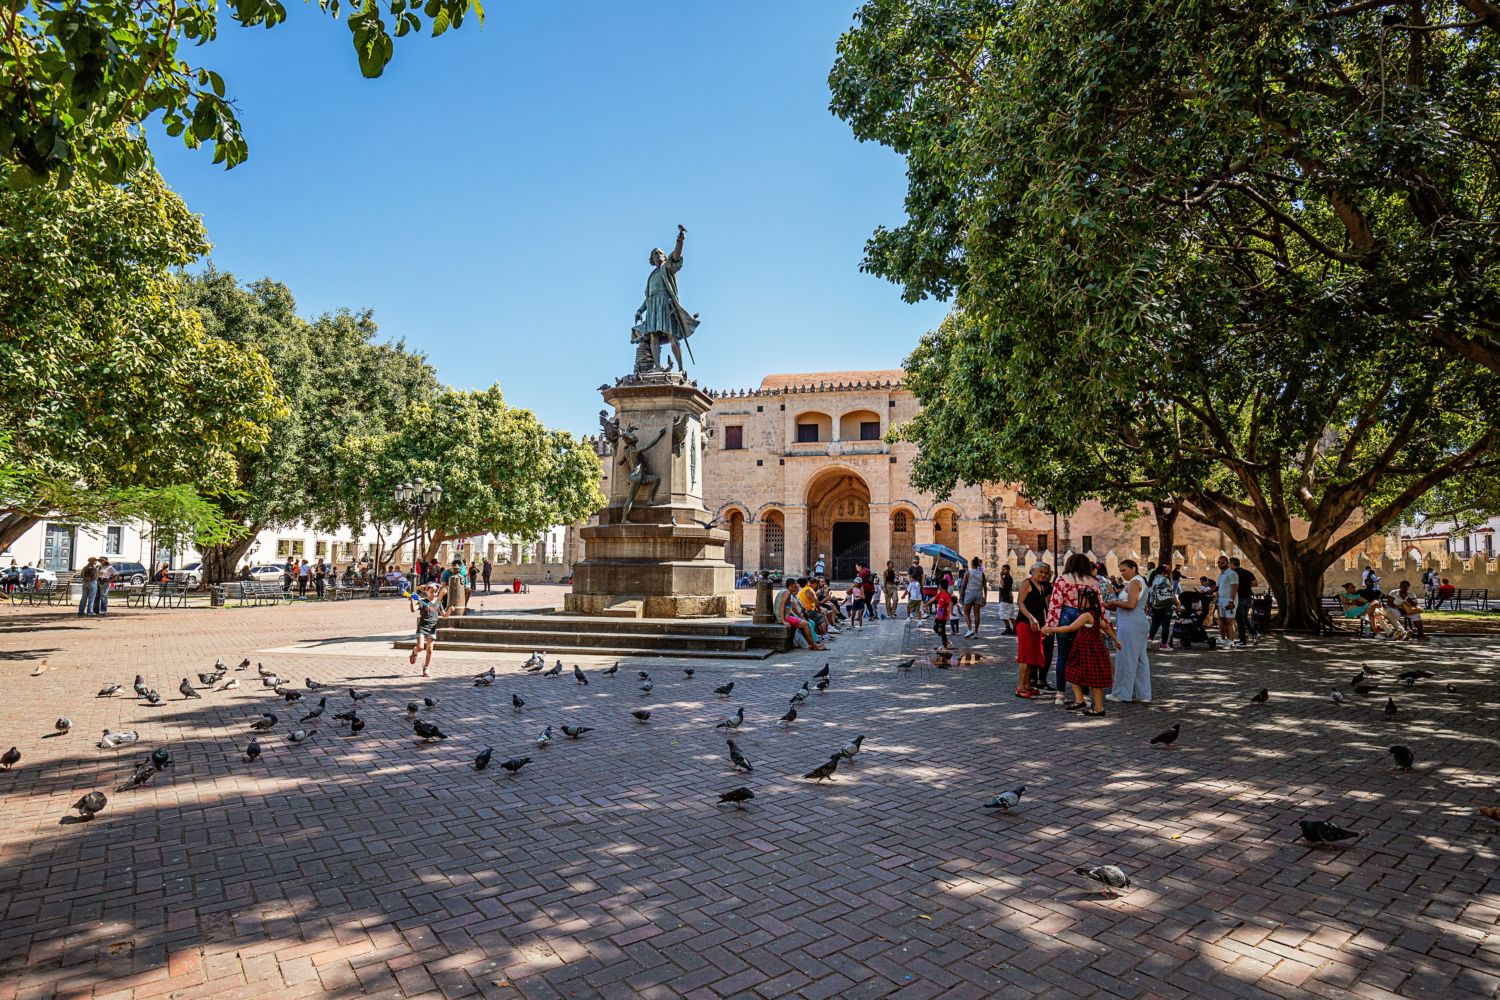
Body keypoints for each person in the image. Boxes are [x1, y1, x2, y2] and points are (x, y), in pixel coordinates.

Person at [1042, 588, 1116, 716]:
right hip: (1091, 649)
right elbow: (1106, 627)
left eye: (1081, 599)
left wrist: (1050, 629)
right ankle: (1080, 700)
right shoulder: (1095, 613)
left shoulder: (1086, 615)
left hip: (1088, 649)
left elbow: (1070, 627)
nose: (1079, 601)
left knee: (1092, 679)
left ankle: (1099, 708)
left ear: (1087, 601)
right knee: (1075, 672)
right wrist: (1116, 639)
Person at [1044, 554, 1103, 705]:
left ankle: (1060, 693)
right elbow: (1099, 605)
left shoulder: (1062, 579)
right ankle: (1085, 695)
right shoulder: (1093, 582)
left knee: (1063, 656)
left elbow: (1055, 604)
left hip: (1066, 616)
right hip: (1086, 618)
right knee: (1084, 657)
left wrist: (1050, 625)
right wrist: (1102, 623)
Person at [1107, 559, 1151, 704]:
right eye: (1120, 571)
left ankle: (1122, 693)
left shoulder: (1134, 582)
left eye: (1124, 570)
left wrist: (1115, 602)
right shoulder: (1138, 582)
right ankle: (1143, 694)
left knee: (1126, 658)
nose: (1122, 573)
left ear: (1133, 568)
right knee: (1140, 660)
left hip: (1131, 624)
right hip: (1135, 623)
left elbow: (1131, 604)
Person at [1014, 563, 1049, 697]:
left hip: (1036, 625)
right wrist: (1030, 617)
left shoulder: (1041, 586)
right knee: (1025, 655)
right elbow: (1020, 602)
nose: (1043, 575)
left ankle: (1027, 685)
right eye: (1040, 572)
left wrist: (1045, 625)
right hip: (1025, 623)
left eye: (1045, 573)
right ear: (1033, 571)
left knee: (1033, 655)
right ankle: (1020, 687)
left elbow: (1042, 608)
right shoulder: (1026, 583)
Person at [775, 578, 827, 651]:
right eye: (795, 586)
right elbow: (782, 606)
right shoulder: (787, 593)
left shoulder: (783, 591)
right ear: (791, 586)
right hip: (785, 617)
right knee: (806, 624)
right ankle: (814, 645)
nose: (796, 588)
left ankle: (812, 644)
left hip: (785, 616)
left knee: (804, 624)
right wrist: (783, 620)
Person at [407, 583, 446, 677]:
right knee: (420, 647)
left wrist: (450, 610)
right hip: (422, 627)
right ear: (426, 592)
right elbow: (413, 609)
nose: (433, 594)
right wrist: (411, 601)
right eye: (431, 592)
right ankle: (415, 651)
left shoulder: (438, 603)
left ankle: (426, 668)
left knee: (430, 649)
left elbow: (444, 615)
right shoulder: (422, 601)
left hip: (432, 628)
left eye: (435, 592)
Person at [1146, 564, 1179, 651]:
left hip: (1155, 604)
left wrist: (1148, 605)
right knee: (1165, 625)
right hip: (1166, 605)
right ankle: (1163, 645)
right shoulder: (1166, 579)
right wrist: (1177, 603)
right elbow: (1171, 592)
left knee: (1155, 623)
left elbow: (1149, 593)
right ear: (1164, 572)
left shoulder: (1151, 579)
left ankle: (1149, 639)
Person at [1229, 557, 1259, 646]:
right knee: (1245, 618)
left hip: (1239, 598)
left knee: (1240, 620)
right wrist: (1246, 585)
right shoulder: (1247, 572)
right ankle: (1255, 634)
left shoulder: (1232, 573)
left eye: (1229, 564)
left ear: (1232, 564)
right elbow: (1255, 583)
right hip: (1248, 598)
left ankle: (1243, 640)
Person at [959, 556, 988, 639]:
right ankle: (976, 633)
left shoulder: (968, 573)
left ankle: (970, 629)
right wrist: (985, 598)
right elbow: (985, 587)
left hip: (969, 593)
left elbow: (963, 585)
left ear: (972, 564)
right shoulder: (982, 574)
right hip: (978, 594)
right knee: (977, 614)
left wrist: (960, 595)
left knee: (966, 612)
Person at [1215, 555, 1238, 646]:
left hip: (1229, 600)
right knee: (1222, 621)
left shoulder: (1232, 574)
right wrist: (1216, 598)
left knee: (1230, 621)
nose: (1220, 564)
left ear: (1228, 563)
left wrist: (1231, 601)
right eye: (1219, 562)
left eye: (1222, 562)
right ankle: (1225, 639)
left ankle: (1231, 641)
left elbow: (1234, 588)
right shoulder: (1220, 575)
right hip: (1221, 600)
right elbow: (1218, 588)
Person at [931, 577, 955, 650]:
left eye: (939, 585)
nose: (938, 586)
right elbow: (933, 598)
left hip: (943, 616)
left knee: (941, 629)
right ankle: (946, 641)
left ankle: (945, 645)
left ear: (941, 586)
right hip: (938, 615)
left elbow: (950, 602)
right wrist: (926, 604)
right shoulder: (940, 593)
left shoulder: (946, 594)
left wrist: (950, 611)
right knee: (935, 628)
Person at [997, 564, 1016, 636]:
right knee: (1011, 615)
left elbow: (1002, 585)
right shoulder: (1006, 577)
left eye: (1004, 569)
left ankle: (1008, 628)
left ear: (1008, 570)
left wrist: (1001, 576)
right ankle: (1015, 629)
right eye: (1002, 569)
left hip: (1006, 599)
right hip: (1007, 598)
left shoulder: (1008, 578)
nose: (1002, 571)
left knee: (1003, 614)